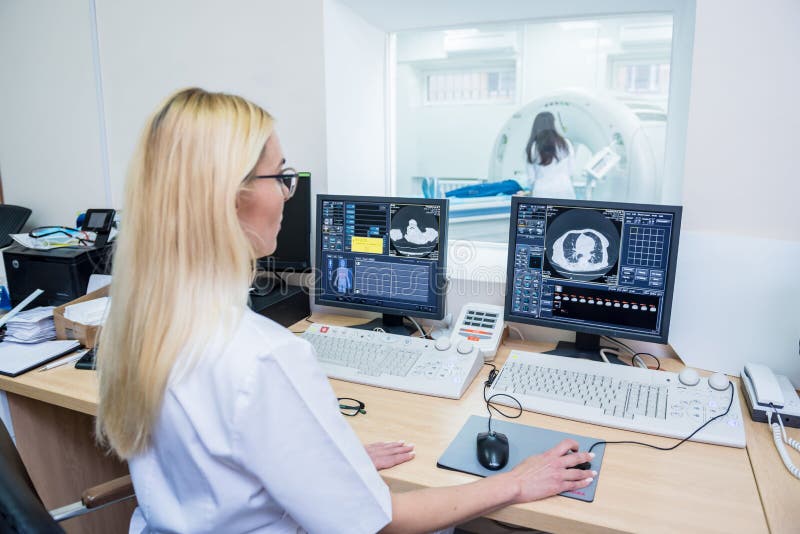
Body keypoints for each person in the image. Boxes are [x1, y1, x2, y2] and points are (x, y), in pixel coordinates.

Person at [96, 88, 594, 534]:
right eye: (282, 176)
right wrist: (515, 482)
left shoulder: (138, 322)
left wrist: (332, 465)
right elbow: (378, 524)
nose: (289, 193)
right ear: (229, 197)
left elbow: (217, 467)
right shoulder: (262, 357)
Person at [525, 111, 576, 199]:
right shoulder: (565, 143)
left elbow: (531, 178)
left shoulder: (533, 147)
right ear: (553, 124)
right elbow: (571, 171)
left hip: (541, 191)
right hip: (564, 189)